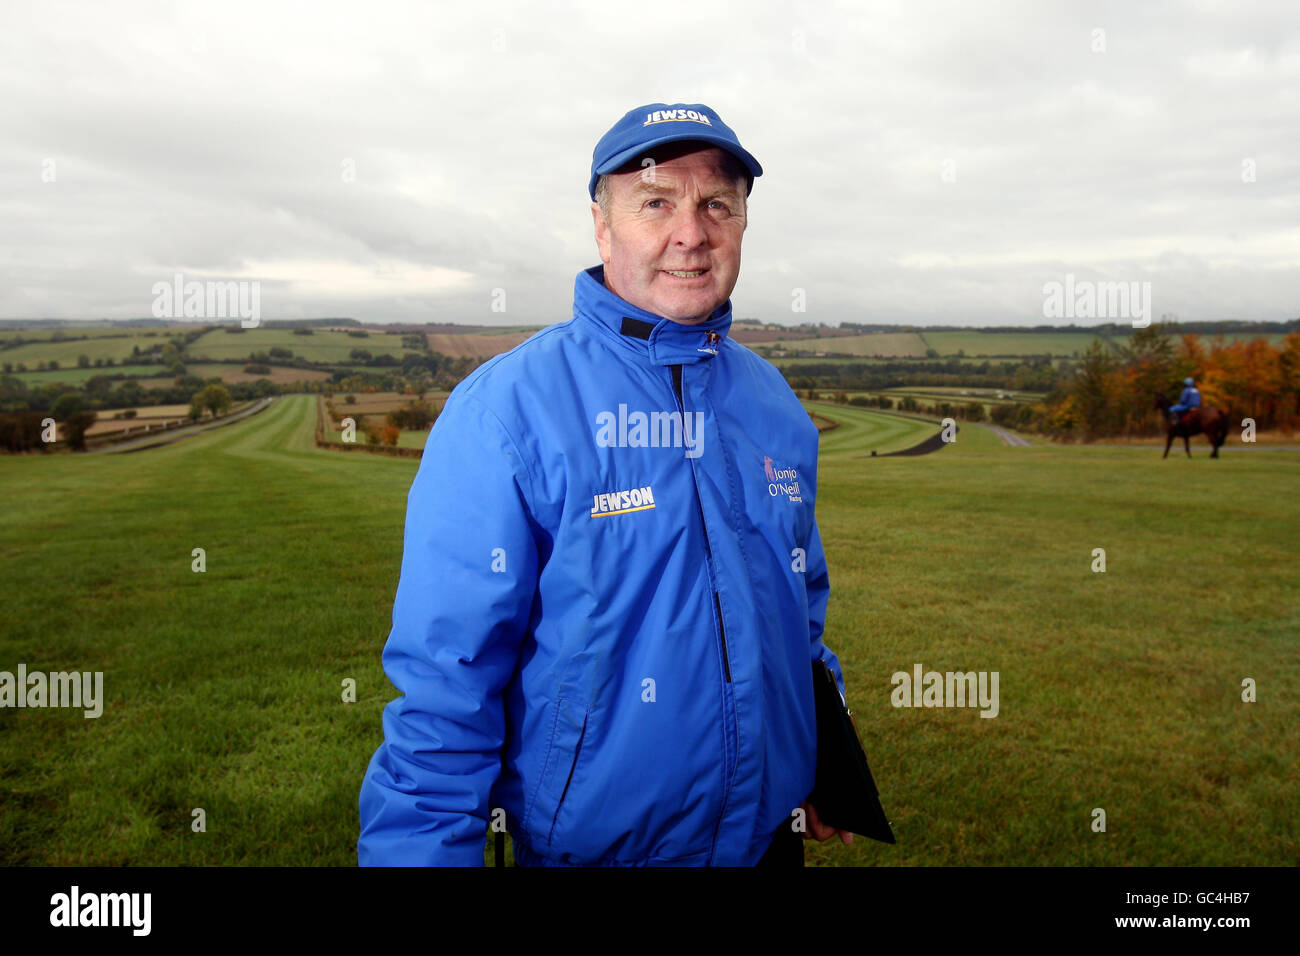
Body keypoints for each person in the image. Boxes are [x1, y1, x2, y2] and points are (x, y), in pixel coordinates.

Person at [357, 102, 852, 866]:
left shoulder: (775, 406)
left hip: (767, 850)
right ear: (601, 224)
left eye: (717, 202)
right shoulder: (505, 414)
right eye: (656, 201)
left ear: (744, 224)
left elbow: (800, 614)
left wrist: (821, 750)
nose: (691, 232)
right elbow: (444, 693)